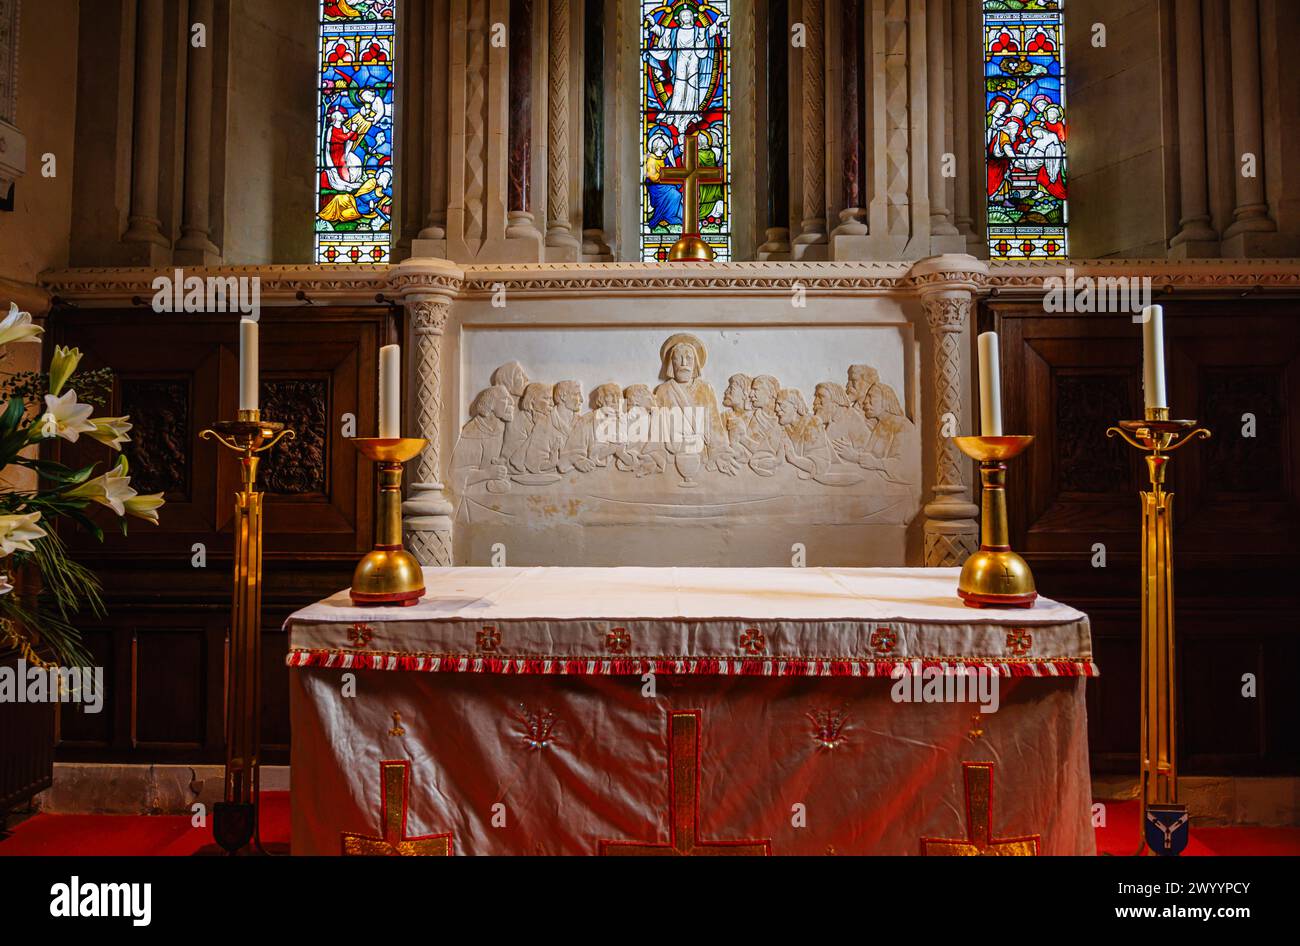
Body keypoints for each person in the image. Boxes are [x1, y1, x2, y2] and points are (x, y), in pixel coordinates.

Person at [644, 6, 730, 134]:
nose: (686, 17)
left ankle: (691, 112)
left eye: (688, 15)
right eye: (683, 16)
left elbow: (709, 32)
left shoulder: (697, 31)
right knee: (679, 84)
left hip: (694, 60)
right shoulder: (675, 32)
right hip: (680, 60)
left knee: (692, 86)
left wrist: (718, 22)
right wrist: (653, 23)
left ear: (692, 18)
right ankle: (675, 112)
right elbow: (663, 32)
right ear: (680, 19)